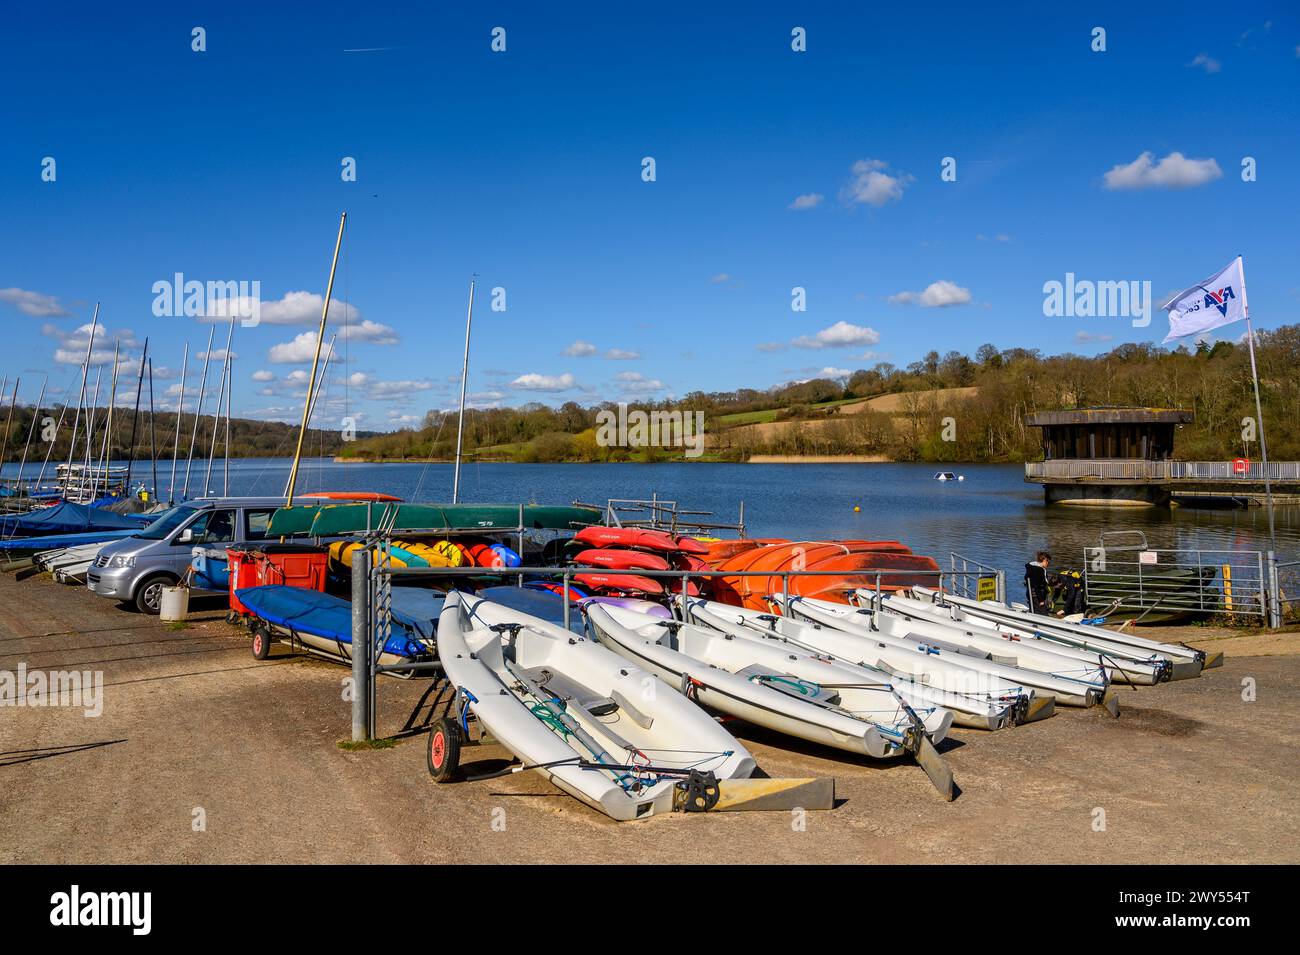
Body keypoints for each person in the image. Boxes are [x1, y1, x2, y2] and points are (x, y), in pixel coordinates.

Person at [1025, 551, 1057, 616]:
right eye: (1048, 562)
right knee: (1043, 614)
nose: (1048, 564)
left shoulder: (1031, 567)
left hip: (1030, 593)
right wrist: (1041, 600)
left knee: (1034, 611)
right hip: (1035, 595)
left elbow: (1026, 578)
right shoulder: (1039, 570)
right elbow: (1036, 585)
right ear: (1045, 561)